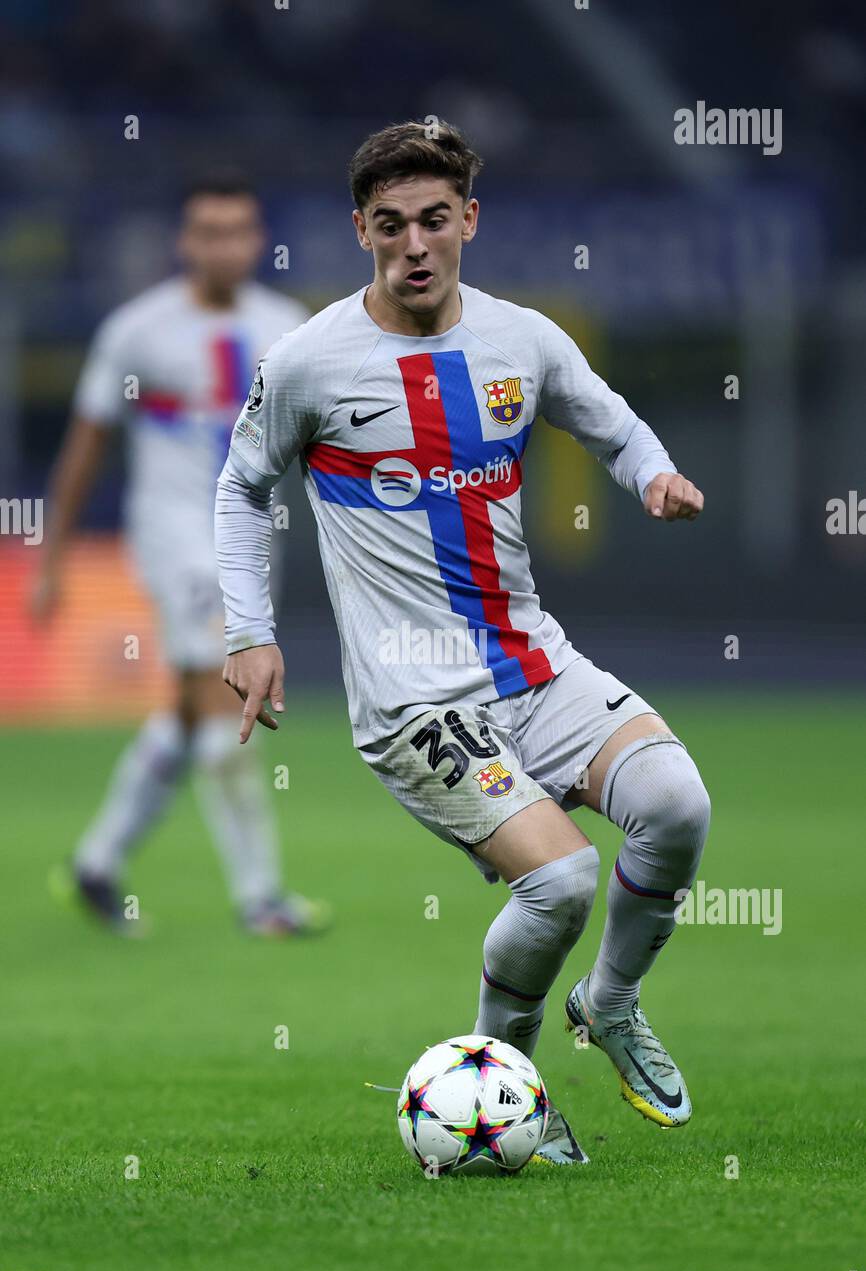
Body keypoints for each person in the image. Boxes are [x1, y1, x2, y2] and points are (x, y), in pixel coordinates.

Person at [214, 122, 709, 1163]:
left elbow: (614, 425)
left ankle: (608, 1003)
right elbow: (242, 488)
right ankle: (500, 1089)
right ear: (360, 232)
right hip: (413, 700)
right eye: (389, 226)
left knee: (673, 806)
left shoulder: (520, 340)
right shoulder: (307, 363)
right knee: (562, 881)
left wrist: (652, 477)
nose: (414, 245)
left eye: (434, 220)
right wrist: (251, 634)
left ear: (468, 220)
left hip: (530, 662)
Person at [33, 175, 328, 938]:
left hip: (256, 539)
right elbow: (87, 442)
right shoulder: (138, 331)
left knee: (181, 712)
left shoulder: (288, 327)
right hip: (175, 538)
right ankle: (261, 897)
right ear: (184, 241)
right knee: (224, 699)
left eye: (237, 230)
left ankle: (97, 865)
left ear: (258, 239)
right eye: (208, 230)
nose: (223, 245)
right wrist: (52, 555)